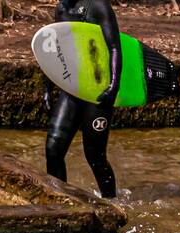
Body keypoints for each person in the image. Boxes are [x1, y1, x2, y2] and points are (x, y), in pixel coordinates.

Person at [45, 0, 121, 198]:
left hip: (98, 91)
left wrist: (113, 86)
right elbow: (56, 51)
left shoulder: (98, 6)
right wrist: (47, 87)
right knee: (53, 148)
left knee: (95, 156)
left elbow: (114, 47)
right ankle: (60, 201)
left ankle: (112, 205)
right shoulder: (61, 9)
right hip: (72, 88)